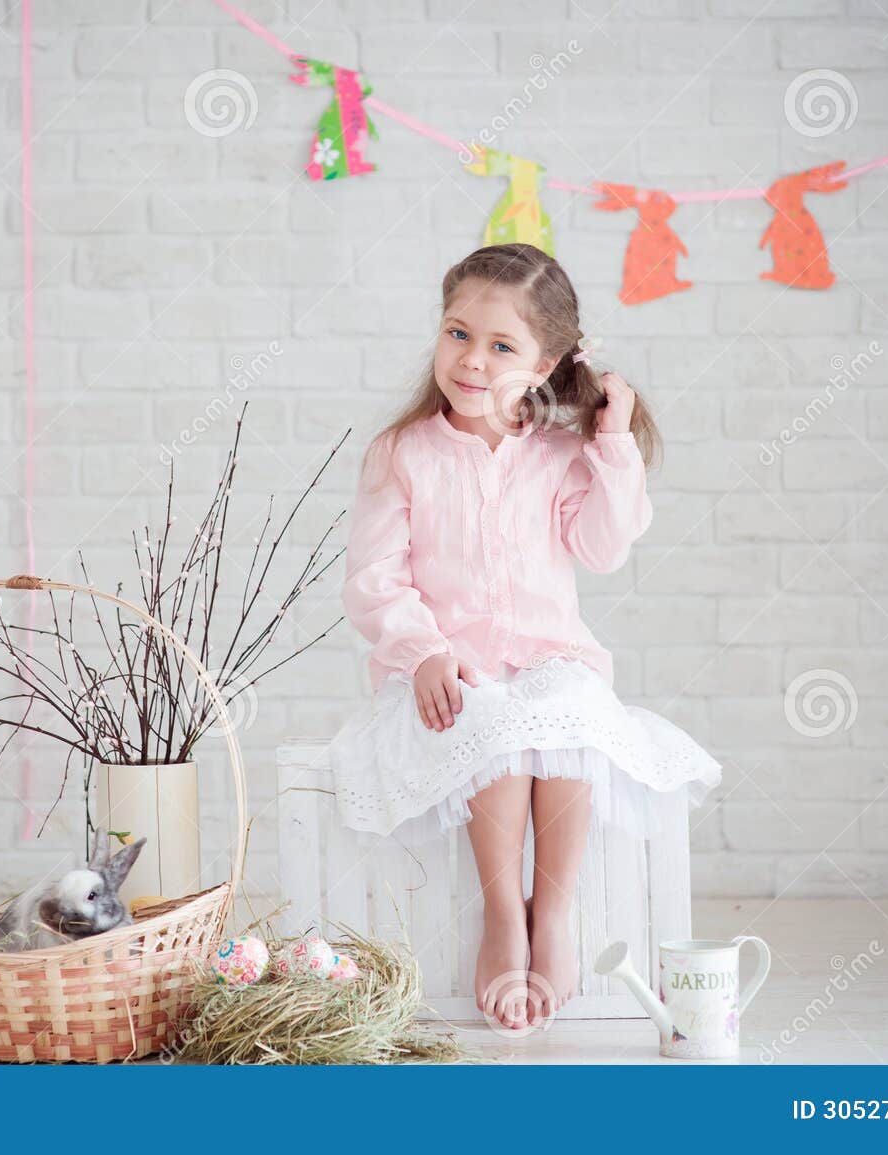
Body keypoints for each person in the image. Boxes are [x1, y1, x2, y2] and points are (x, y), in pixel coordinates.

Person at [327, 242, 722, 1031]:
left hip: (549, 662)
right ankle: (505, 914)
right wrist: (423, 650)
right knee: (494, 718)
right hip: (449, 673)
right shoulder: (401, 453)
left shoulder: (560, 456)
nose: (472, 359)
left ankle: (555, 911)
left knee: (568, 706)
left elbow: (602, 547)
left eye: (501, 345)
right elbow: (374, 578)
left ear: (543, 364)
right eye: (457, 333)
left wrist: (613, 441)